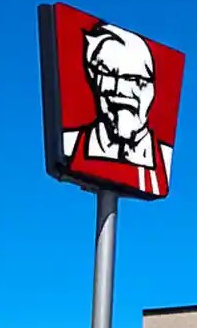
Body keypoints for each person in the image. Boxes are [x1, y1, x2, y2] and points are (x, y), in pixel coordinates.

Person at [62, 22, 173, 197]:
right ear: (93, 79)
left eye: (136, 79)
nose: (121, 89)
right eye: (109, 74)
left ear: (153, 89)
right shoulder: (67, 145)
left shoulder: (162, 160)